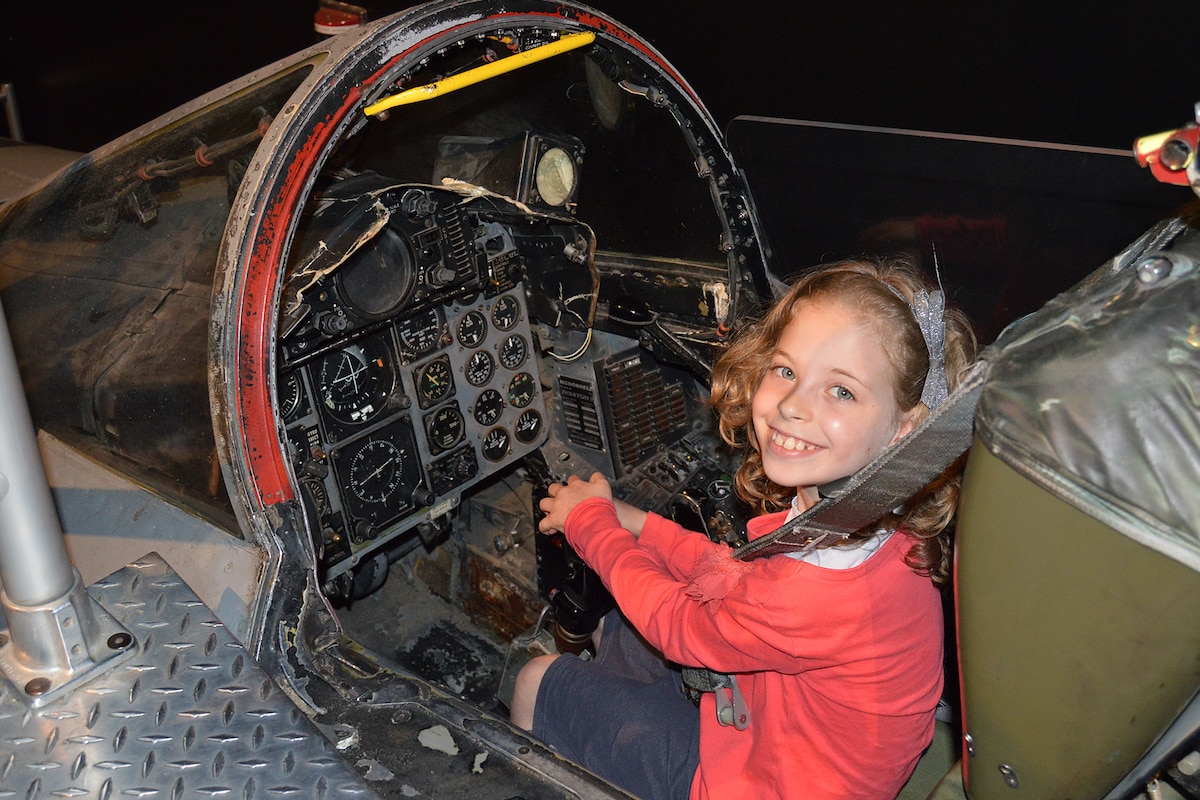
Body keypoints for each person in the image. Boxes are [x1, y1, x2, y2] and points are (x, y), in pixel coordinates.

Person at [509, 258, 978, 800]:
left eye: (842, 391)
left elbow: (679, 624)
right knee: (616, 628)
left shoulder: (820, 588)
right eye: (786, 371)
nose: (793, 405)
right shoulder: (871, 527)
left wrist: (590, 523)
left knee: (536, 681)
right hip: (787, 741)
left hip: (752, 784)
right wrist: (635, 523)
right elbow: (734, 574)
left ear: (905, 429)